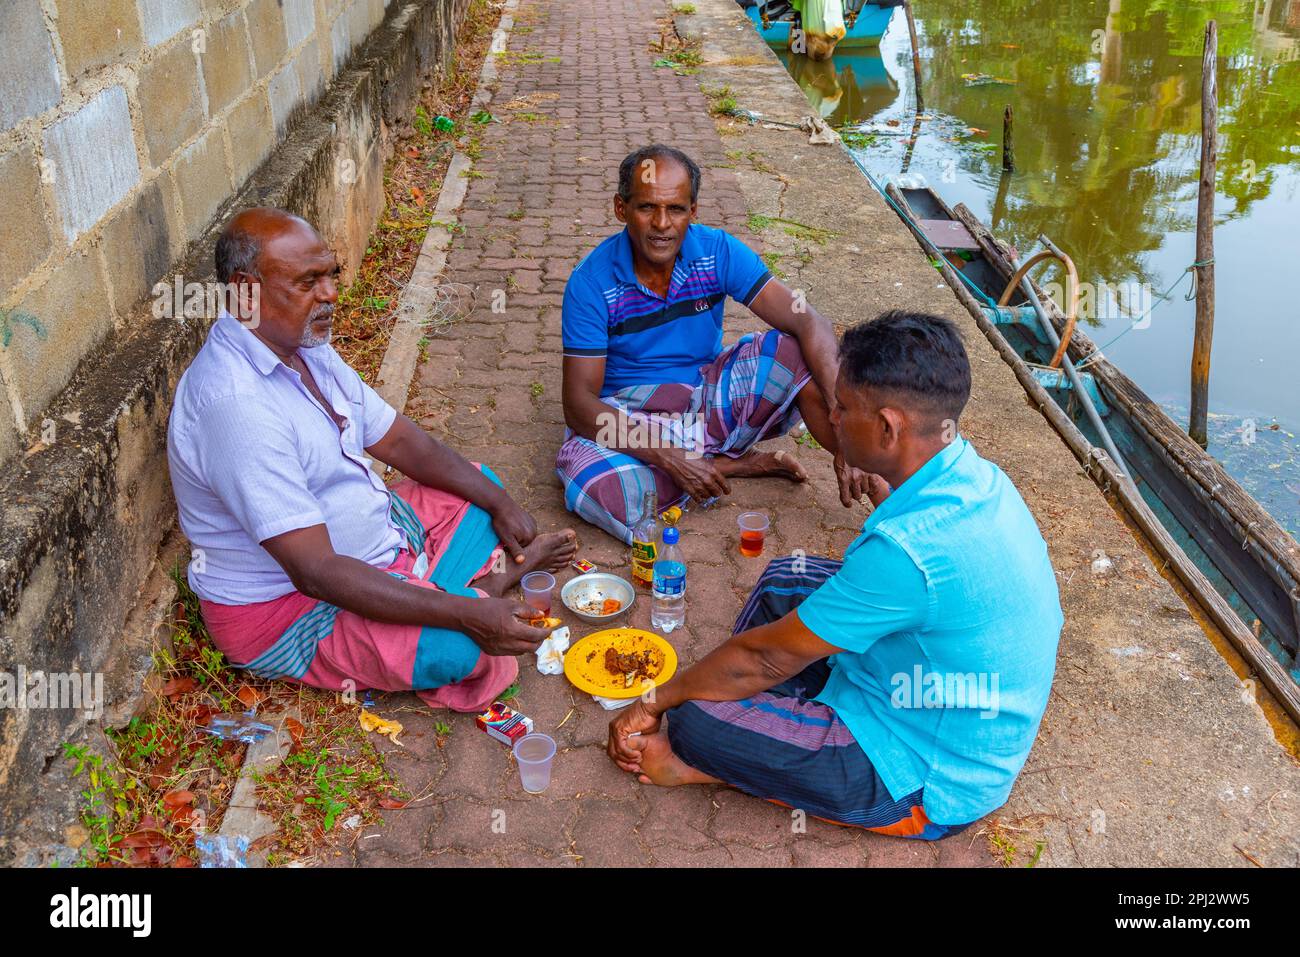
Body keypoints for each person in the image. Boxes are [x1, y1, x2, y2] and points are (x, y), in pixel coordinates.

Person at [607, 311, 1064, 838]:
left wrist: (655, 700)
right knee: (785, 580)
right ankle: (766, 714)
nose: (832, 417)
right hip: (918, 682)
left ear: (889, 428)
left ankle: (723, 754)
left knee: (695, 720)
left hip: (925, 774)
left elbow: (767, 654)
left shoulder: (907, 552)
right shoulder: (972, 474)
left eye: (843, 409)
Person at [168, 208, 576, 712]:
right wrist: (464, 618)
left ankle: (469, 592)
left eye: (330, 276)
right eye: (308, 282)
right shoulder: (234, 406)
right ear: (246, 291)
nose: (331, 295)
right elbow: (314, 572)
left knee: (476, 484)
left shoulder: (303, 346)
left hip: (376, 539)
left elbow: (403, 445)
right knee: (463, 649)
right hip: (293, 607)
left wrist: (501, 500)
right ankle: (474, 598)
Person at [557, 144, 874, 543]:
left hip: (704, 399)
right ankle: (722, 464)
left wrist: (847, 436)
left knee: (796, 351)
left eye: (675, 209)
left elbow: (810, 320)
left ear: (693, 211)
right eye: (646, 208)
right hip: (631, 415)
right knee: (597, 487)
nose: (661, 224)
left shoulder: (716, 251)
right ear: (621, 209)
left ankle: (859, 475)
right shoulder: (590, 283)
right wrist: (669, 456)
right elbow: (580, 406)